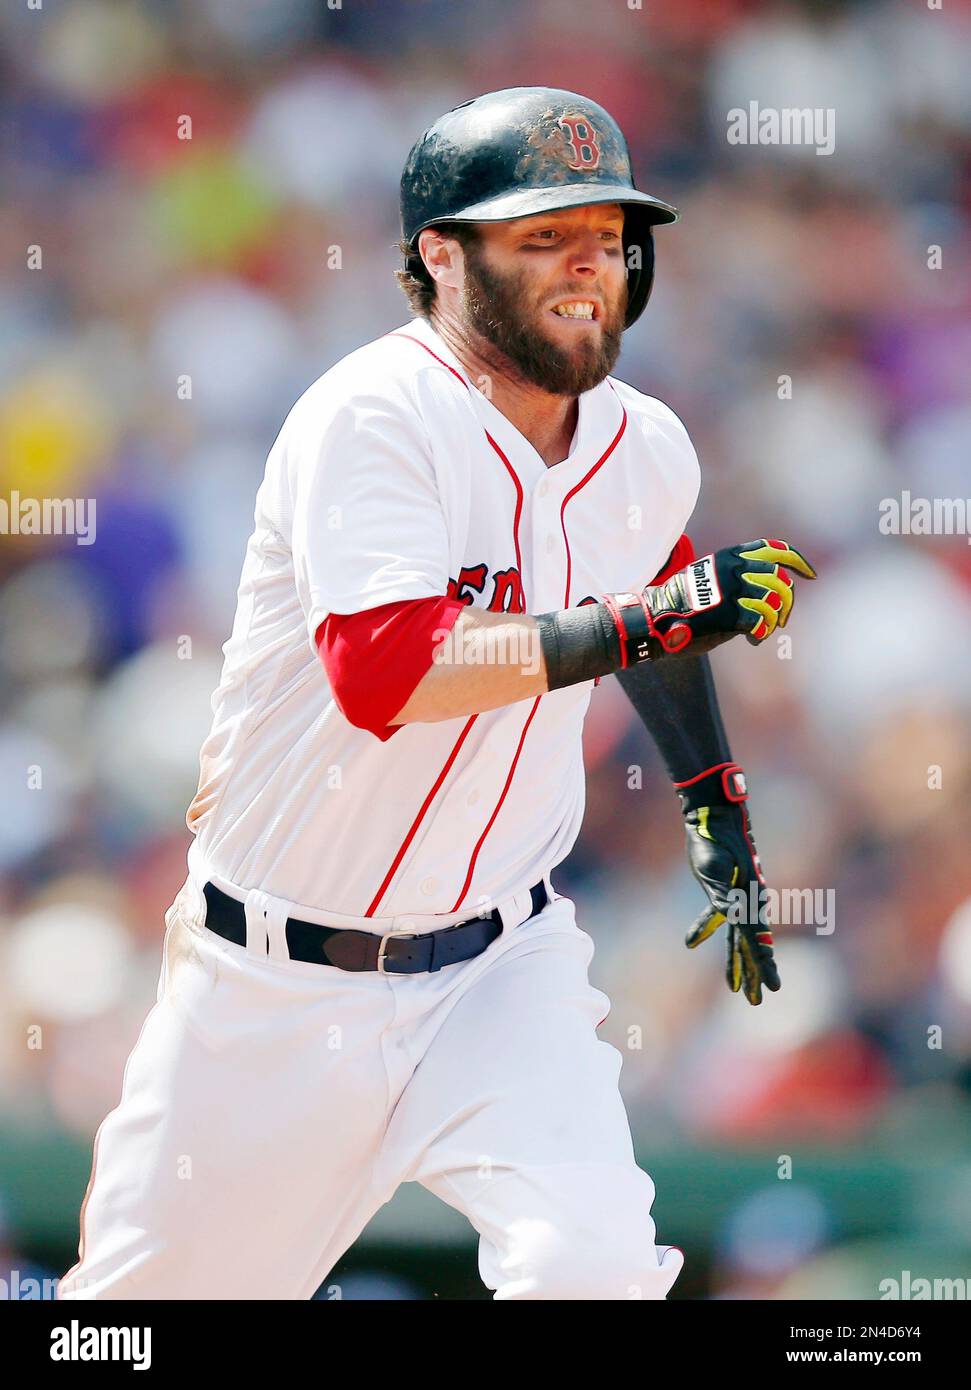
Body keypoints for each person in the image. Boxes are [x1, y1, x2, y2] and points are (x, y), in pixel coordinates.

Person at [59, 87, 814, 1302]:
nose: (589, 265)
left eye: (607, 235)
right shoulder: (372, 414)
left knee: (595, 1268)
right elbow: (389, 673)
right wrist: (643, 619)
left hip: (496, 969)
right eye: (541, 236)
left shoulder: (647, 444)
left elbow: (656, 616)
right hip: (274, 982)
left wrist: (713, 807)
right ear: (440, 254)